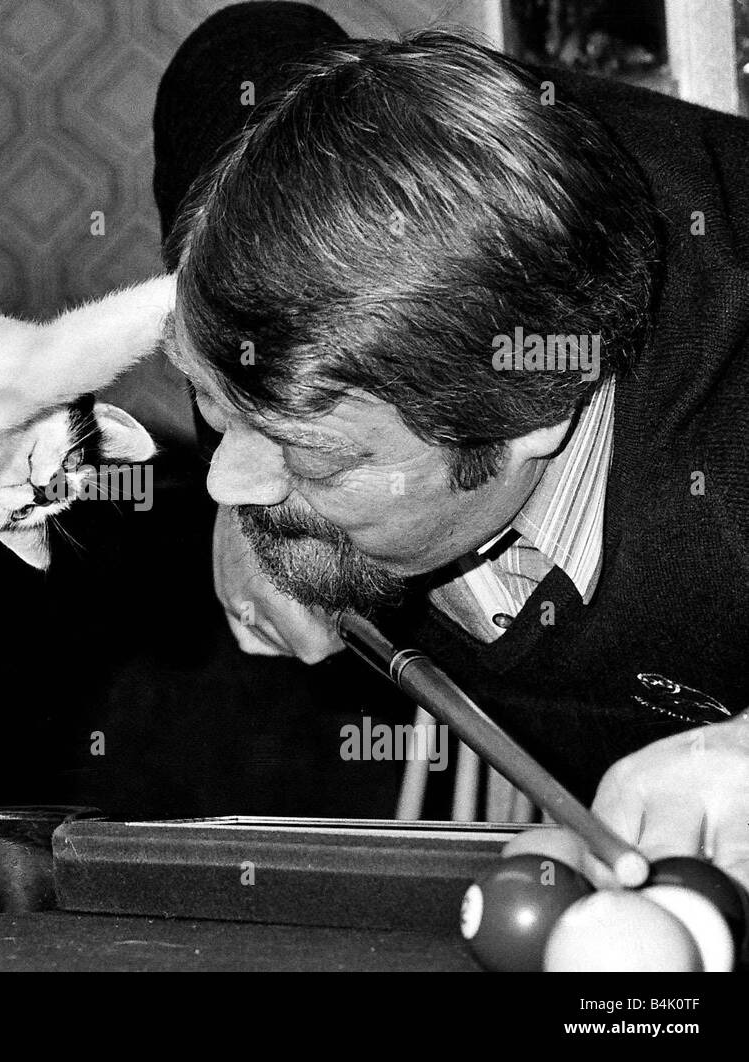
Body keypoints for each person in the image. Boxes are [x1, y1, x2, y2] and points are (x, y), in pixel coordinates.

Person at [153, 2, 749, 888]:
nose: (225, 482)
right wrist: (262, 455)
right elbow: (237, 44)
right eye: (213, 403)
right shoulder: (269, 152)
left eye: (314, 455)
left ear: (521, 415)